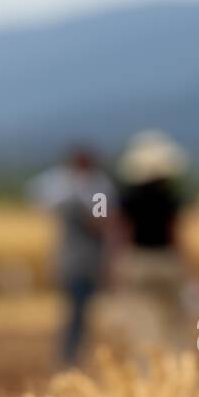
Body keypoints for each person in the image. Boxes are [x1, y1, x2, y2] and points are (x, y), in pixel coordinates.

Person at [27, 145, 117, 365]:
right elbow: (101, 221)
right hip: (78, 261)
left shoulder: (84, 186)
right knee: (78, 311)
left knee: (80, 311)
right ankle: (72, 356)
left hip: (80, 260)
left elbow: (100, 220)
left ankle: (73, 355)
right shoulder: (87, 187)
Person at [117, 130, 189, 347]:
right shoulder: (171, 197)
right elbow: (176, 233)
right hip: (167, 259)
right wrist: (187, 263)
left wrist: (119, 261)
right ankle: (177, 368)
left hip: (139, 260)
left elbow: (123, 232)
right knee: (174, 320)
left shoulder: (129, 197)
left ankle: (147, 372)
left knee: (143, 321)